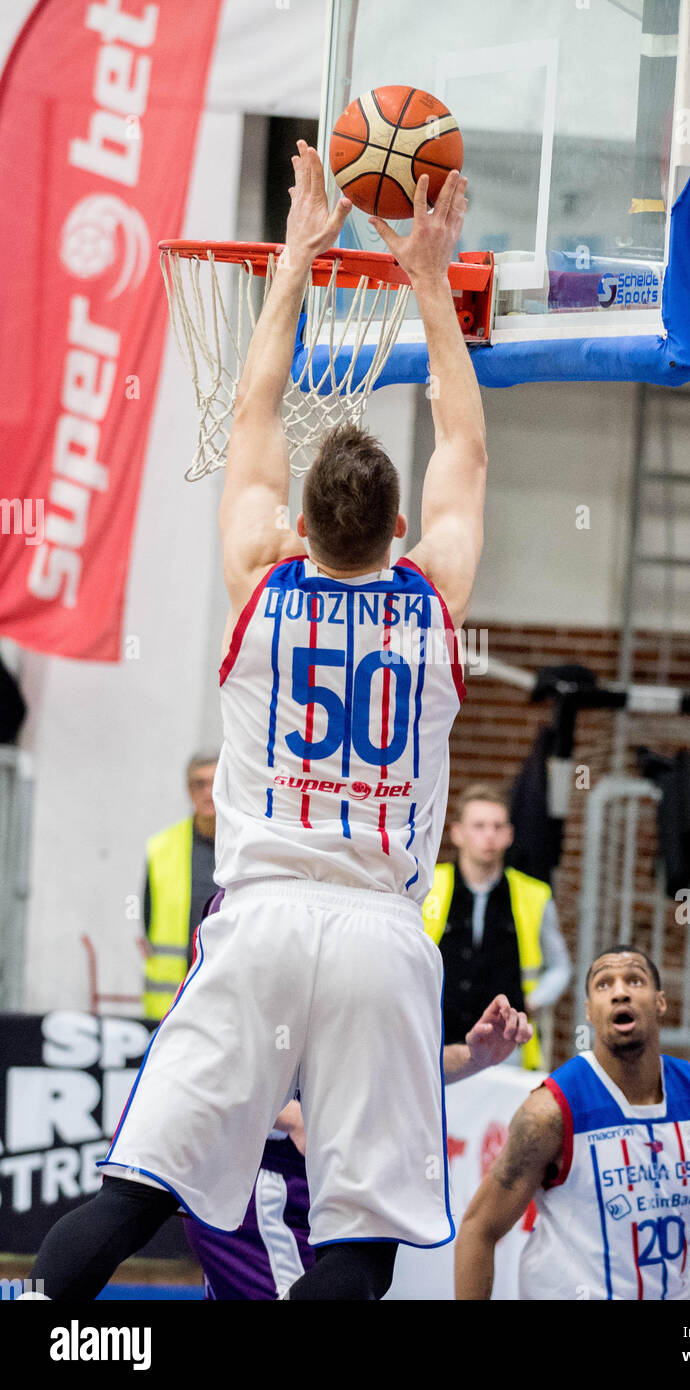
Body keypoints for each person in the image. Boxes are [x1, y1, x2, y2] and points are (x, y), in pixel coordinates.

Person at [26, 145, 486, 1302]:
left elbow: (254, 405)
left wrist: (298, 250)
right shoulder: (432, 597)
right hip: (383, 932)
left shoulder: (257, 577)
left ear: (298, 525)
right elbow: (466, 456)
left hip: (262, 915)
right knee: (358, 1237)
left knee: (135, 1193)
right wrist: (428, 281)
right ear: (395, 525)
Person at [454, 946, 690, 1300]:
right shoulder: (549, 1113)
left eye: (635, 980)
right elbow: (479, 1228)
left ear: (660, 1003)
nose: (620, 991)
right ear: (590, 1012)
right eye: (604, 984)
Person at [184, 988, 532, 1299]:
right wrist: (292, 1117)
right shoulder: (269, 938)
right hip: (262, 1184)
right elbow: (197, 1058)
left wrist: (475, 1058)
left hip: (330, 1185)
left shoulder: (379, 951)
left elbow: (394, 1065)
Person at [423, 783, 571, 1069]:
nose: (489, 835)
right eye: (478, 826)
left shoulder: (534, 894)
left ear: (509, 835)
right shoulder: (428, 886)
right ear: (457, 833)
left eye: (497, 826)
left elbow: (560, 965)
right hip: (434, 1040)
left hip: (505, 1050)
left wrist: (533, 1001)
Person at [141, 752, 219, 1020]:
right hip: (173, 999)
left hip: (228, 990)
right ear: (188, 790)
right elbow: (148, 919)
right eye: (199, 784)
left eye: (215, 782)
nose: (208, 792)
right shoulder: (162, 848)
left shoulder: (246, 845)